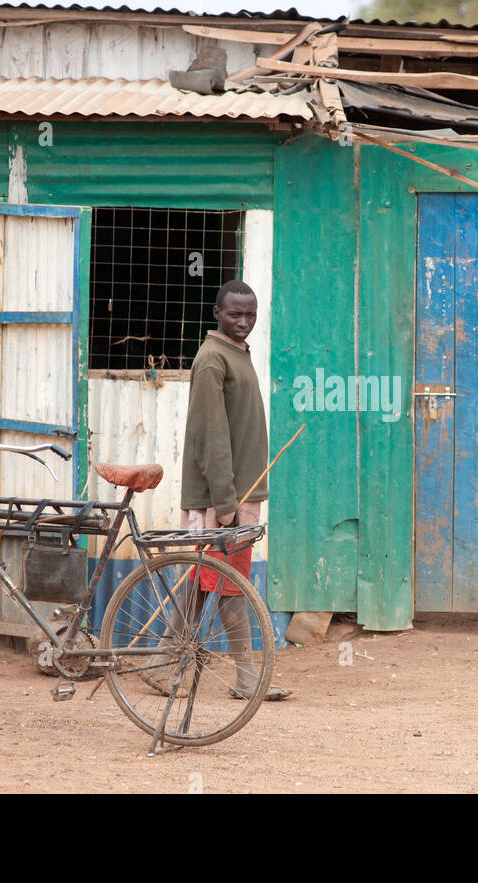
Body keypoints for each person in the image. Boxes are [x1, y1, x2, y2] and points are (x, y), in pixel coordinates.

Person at [152, 279, 291, 701]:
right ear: (217, 313)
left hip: (239, 495)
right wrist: (226, 503)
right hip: (223, 497)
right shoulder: (213, 359)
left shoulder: (237, 354)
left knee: (205, 581)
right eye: (235, 313)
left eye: (250, 314)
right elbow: (211, 436)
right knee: (229, 584)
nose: (244, 321)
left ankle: (160, 663)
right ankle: (247, 678)